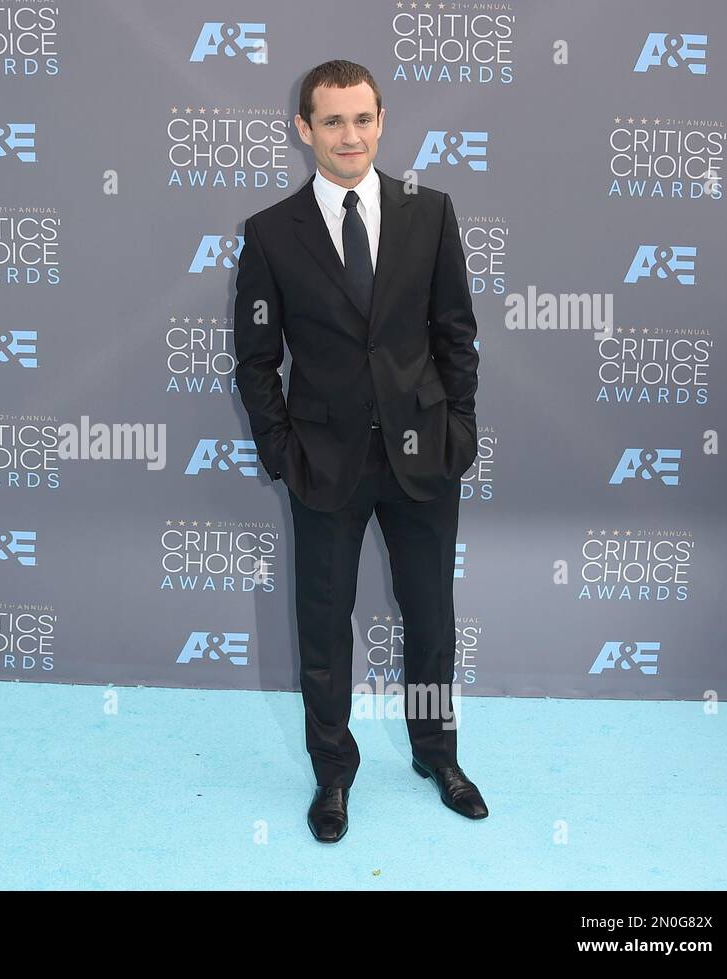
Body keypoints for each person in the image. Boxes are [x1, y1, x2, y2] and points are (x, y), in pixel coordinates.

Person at [233, 60, 488, 843]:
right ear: (303, 129)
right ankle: (333, 775)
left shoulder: (430, 212)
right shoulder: (272, 233)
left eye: (363, 118)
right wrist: (283, 453)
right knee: (323, 625)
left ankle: (436, 754)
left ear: (382, 121)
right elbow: (254, 359)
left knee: (431, 621)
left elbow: (456, 334)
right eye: (333, 121)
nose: (351, 135)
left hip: (423, 460)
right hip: (325, 465)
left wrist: (460, 432)